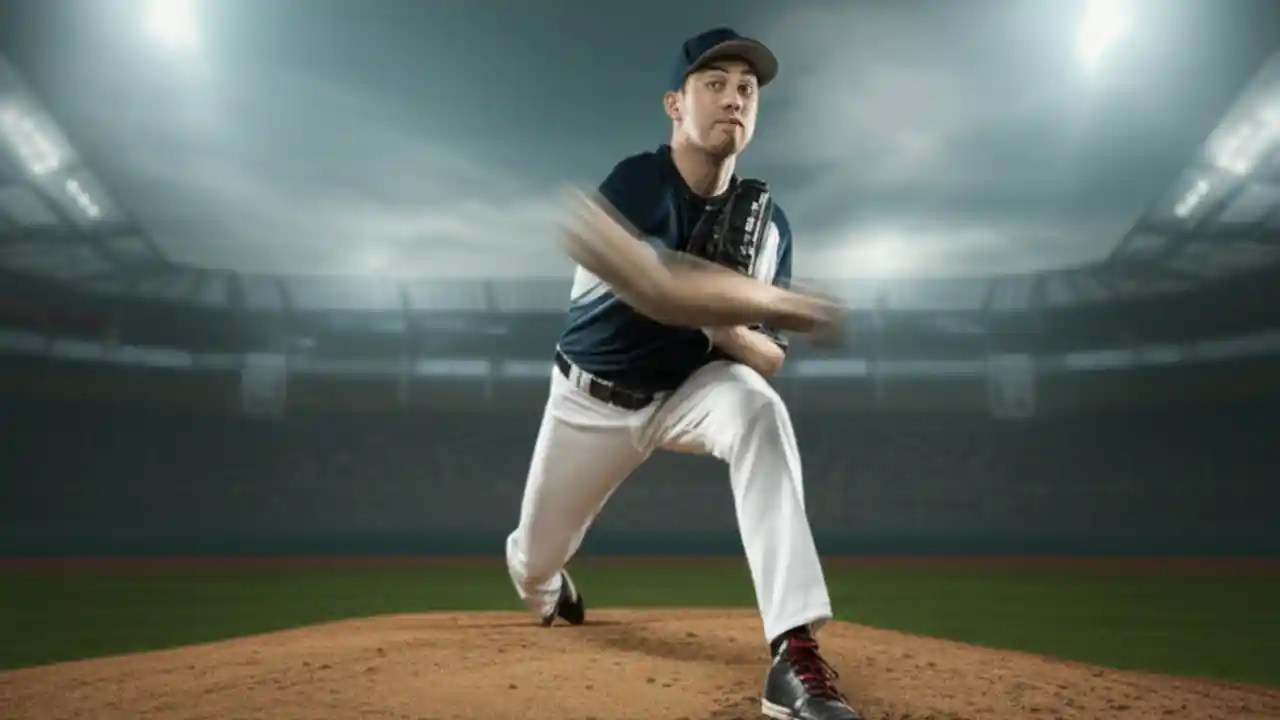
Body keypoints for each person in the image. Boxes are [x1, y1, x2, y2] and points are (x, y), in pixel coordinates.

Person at [505, 27, 863, 720]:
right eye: (715, 83)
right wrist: (776, 302)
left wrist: (729, 323)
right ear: (675, 103)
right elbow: (657, 286)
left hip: (690, 393)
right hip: (591, 400)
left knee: (758, 410)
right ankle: (549, 587)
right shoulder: (640, 181)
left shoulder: (772, 226)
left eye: (747, 89)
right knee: (534, 561)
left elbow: (769, 355)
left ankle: (795, 652)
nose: (735, 97)